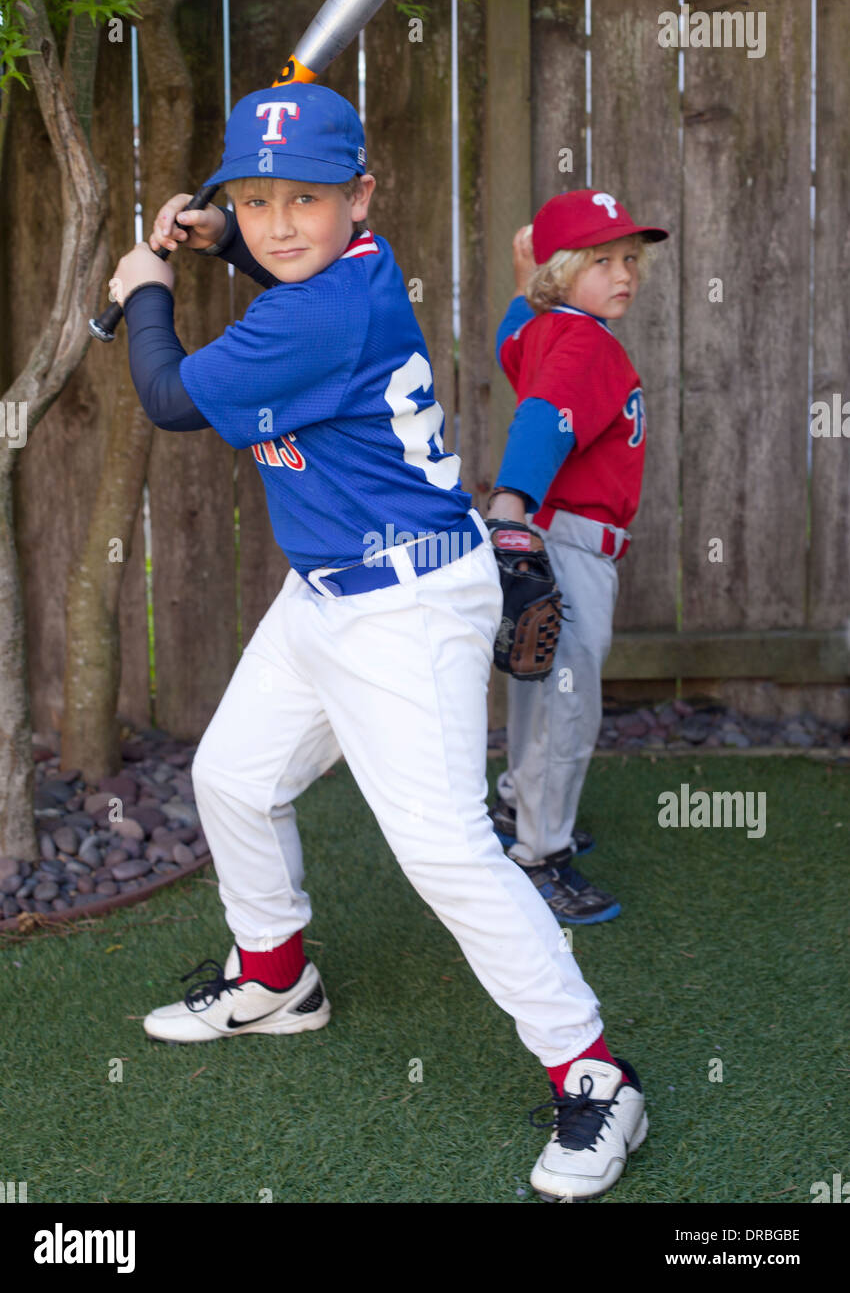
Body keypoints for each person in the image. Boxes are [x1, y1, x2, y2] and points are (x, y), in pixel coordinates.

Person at [109, 89, 647, 1200]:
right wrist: (227, 250)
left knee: (446, 849)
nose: (277, 223)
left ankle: (593, 1074)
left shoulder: (318, 311)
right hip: (324, 593)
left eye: (303, 199)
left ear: (359, 198)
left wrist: (146, 290)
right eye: (253, 201)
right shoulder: (342, 276)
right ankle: (274, 979)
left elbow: (165, 397)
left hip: (406, 607)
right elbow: (291, 276)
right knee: (234, 778)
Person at [486, 190, 669, 926]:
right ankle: (541, 859)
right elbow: (544, 418)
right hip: (567, 542)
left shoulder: (547, 329)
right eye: (602, 260)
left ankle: (516, 812)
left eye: (630, 258)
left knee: (540, 698)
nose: (623, 272)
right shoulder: (587, 341)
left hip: (554, 536)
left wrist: (523, 280)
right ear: (563, 273)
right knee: (566, 707)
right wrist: (511, 505)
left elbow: (510, 345)